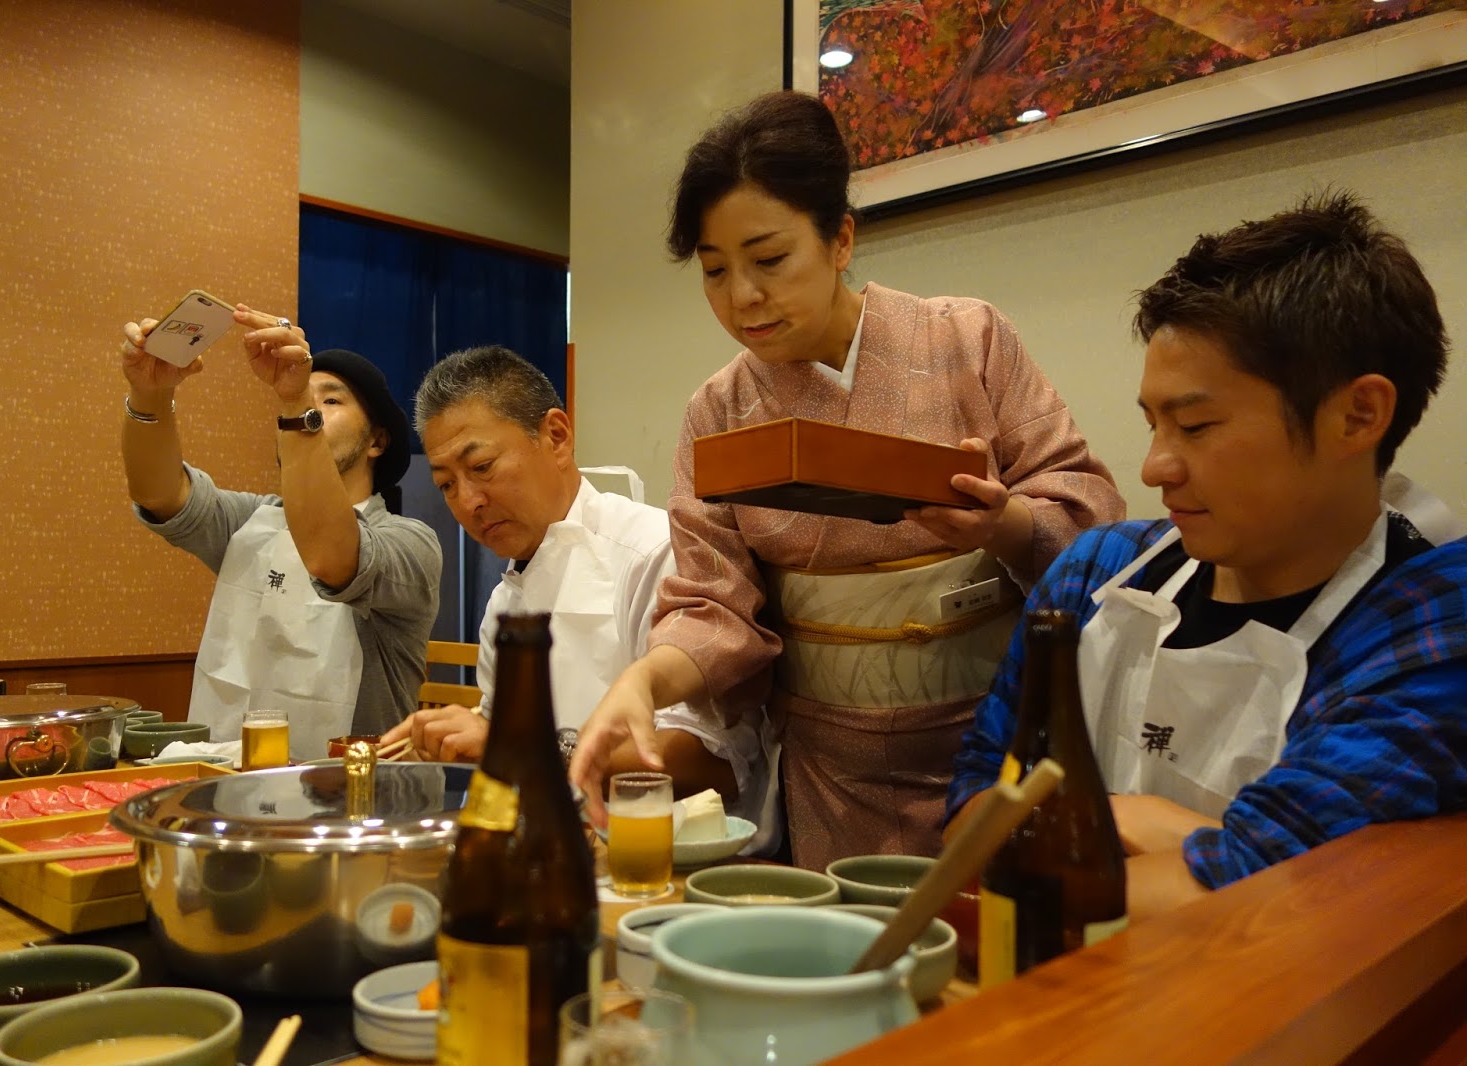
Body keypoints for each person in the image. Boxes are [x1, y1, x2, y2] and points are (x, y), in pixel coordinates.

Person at [569, 91, 1124, 869]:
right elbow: (712, 604)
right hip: (831, 767)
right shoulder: (718, 412)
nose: (742, 297)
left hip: (996, 739)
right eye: (715, 270)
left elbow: (1089, 509)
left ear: (840, 240)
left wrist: (1005, 527)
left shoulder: (970, 339)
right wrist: (645, 681)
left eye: (768, 260)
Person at [945, 190, 1467, 920]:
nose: (1155, 467)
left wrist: (1080, 828)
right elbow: (973, 805)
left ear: (1359, 414)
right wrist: (1156, 825)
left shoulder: (1430, 620)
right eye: (1154, 423)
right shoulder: (1097, 572)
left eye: (1196, 424)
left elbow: (1269, 885)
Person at [383, 346, 770, 838]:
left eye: (481, 467)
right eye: (445, 485)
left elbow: (712, 760)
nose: (468, 502)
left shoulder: (654, 552)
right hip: (558, 850)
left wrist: (521, 749)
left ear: (557, 437)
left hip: (679, 863)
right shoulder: (506, 601)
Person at [119, 304, 442, 760]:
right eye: (306, 402)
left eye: (328, 402)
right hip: (230, 791)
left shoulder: (411, 542)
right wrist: (150, 395)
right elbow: (159, 493)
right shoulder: (253, 521)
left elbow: (333, 556)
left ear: (377, 441)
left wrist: (294, 403)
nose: (311, 410)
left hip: (355, 803)